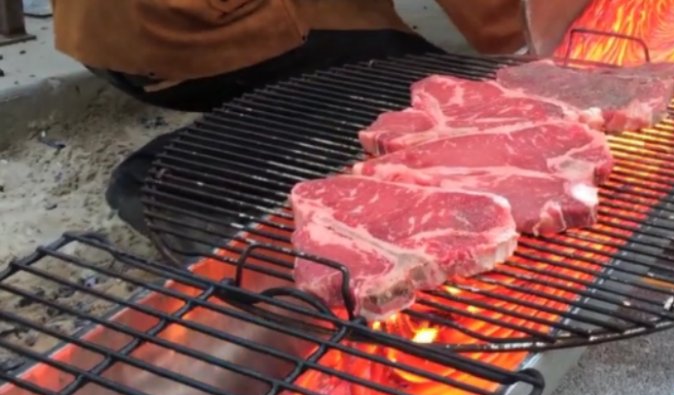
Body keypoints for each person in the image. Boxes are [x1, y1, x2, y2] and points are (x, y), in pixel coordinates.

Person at [50, 0, 525, 235]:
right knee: (427, 87)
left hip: (97, 30)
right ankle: (165, 181)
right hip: (187, 28)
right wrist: (532, 66)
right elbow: (501, 26)